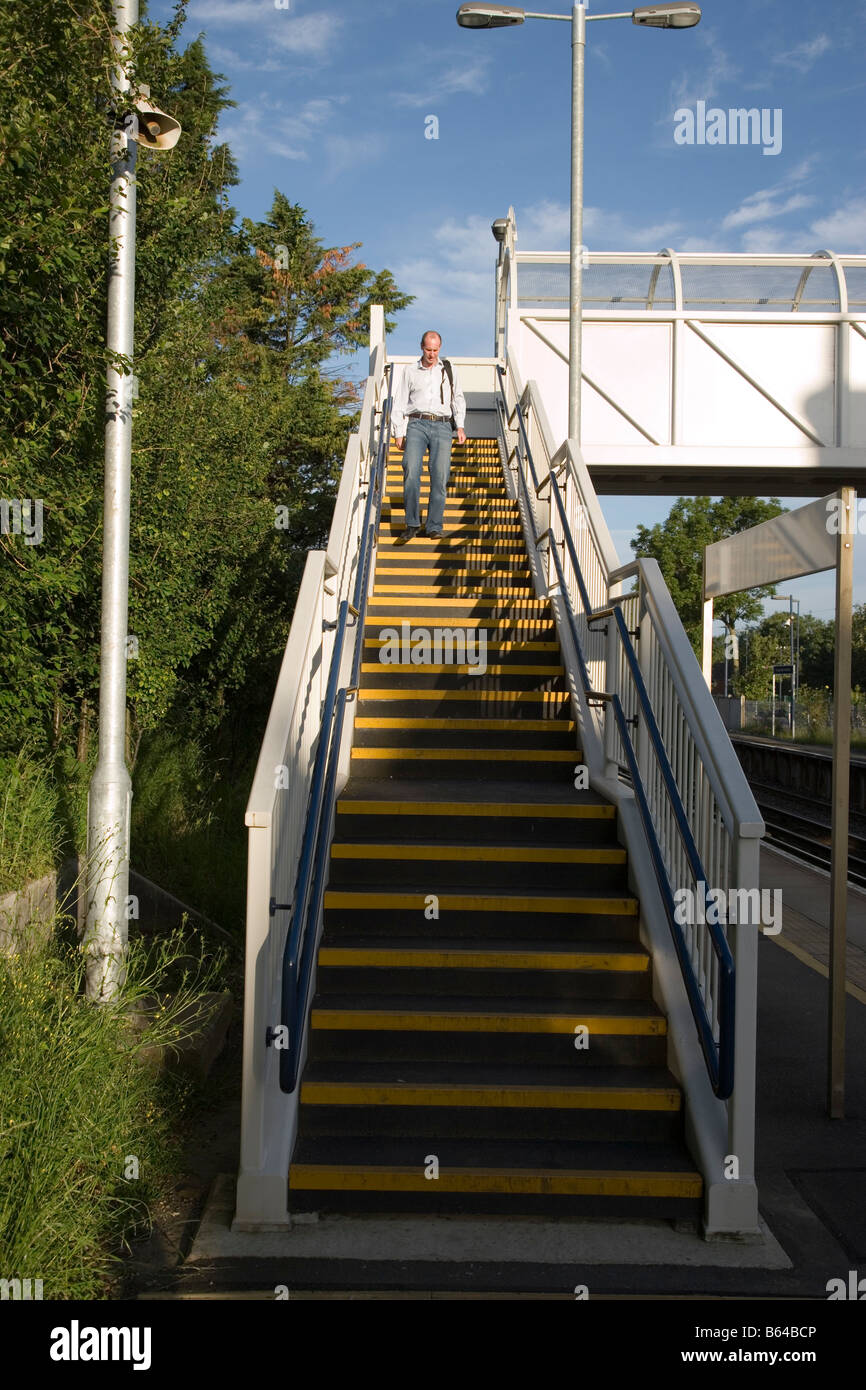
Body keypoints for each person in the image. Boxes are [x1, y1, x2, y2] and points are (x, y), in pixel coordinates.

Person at [391, 331, 466, 542]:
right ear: (421, 347)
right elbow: (400, 402)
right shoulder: (410, 371)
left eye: (435, 350)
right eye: (428, 350)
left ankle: (434, 525)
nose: (431, 354)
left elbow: (457, 398)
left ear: (439, 348)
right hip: (416, 423)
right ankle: (412, 524)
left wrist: (459, 426)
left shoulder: (449, 370)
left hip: (443, 426)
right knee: (411, 470)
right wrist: (399, 432)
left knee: (440, 476)